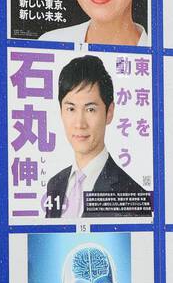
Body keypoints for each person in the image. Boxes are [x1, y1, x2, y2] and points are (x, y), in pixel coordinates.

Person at [43, 56, 150, 219]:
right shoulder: (55, 184)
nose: (79, 123)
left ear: (109, 112)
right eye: (71, 109)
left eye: (90, 109)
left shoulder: (132, 195)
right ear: (61, 111)